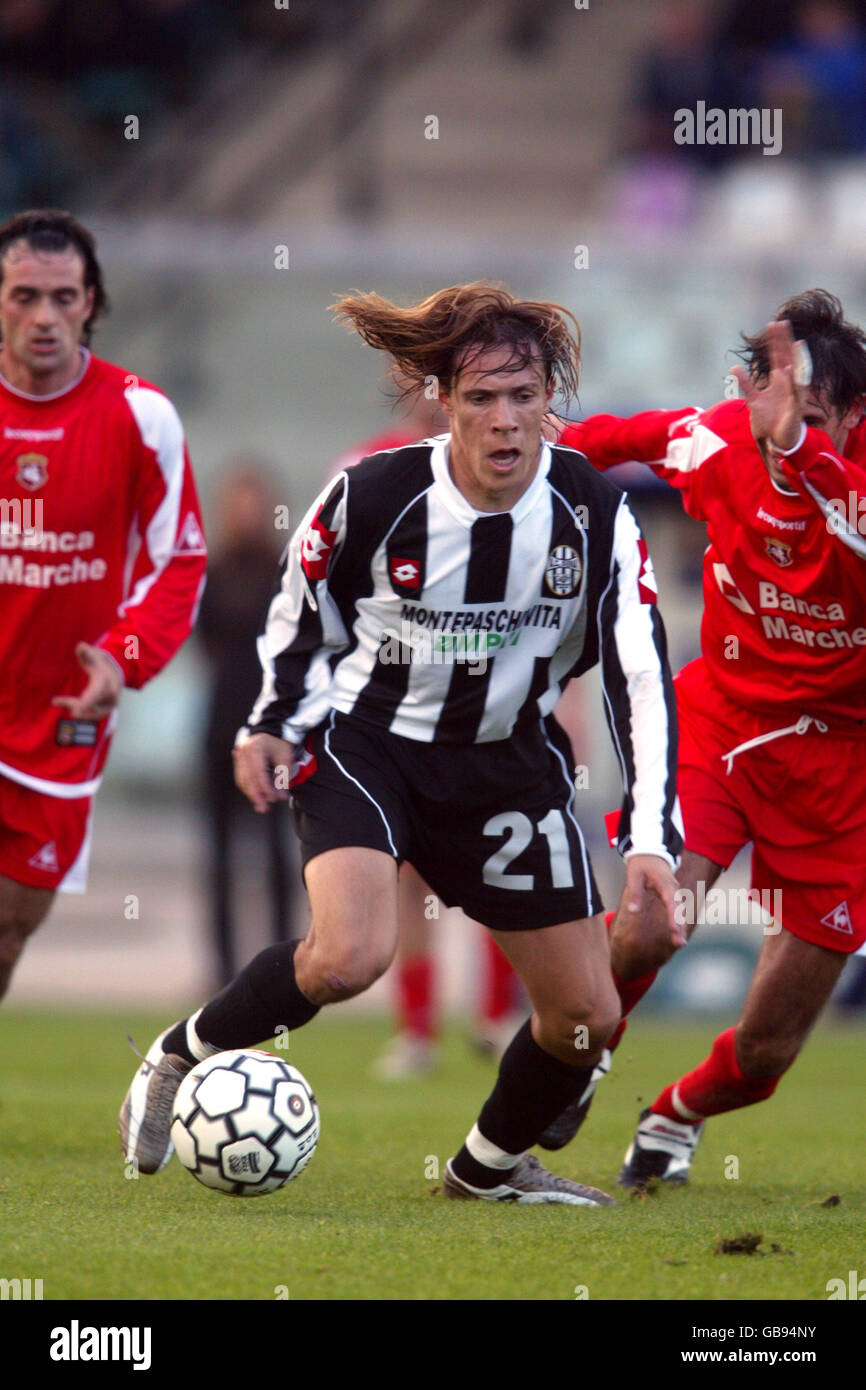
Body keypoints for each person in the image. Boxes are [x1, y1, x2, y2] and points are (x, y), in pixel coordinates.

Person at [120, 281, 681, 1205]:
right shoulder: (372, 494)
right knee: (348, 956)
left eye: (525, 397)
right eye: (480, 399)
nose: (505, 422)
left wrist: (649, 839)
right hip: (368, 743)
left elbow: (639, 676)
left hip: (507, 763)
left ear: (551, 400)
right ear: (443, 401)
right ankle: (182, 1054)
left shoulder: (595, 512)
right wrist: (269, 723)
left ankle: (485, 1173)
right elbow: (302, 622)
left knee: (585, 1019)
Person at [545, 289, 866, 1184]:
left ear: (854, 416)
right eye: (775, 411)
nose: (783, 433)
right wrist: (506, 454)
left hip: (844, 770)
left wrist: (801, 452)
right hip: (722, 726)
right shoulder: (722, 438)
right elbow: (609, 440)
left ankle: (675, 1115)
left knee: (766, 1051)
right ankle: (582, 1054)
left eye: (813, 418)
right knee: (650, 923)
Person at [0, 207, 206, 1000]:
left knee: (12, 925)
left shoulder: (139, 414)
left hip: (62, 714)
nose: (44, 316)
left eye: (62, 297)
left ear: (90, 302)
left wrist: (125, 658)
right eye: (24, 296)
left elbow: (180, 556)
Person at [326, 381, 524, 1077]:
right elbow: (329, 592)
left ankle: (496, 1019)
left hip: (492, 711)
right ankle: (418, 1031)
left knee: (500, 865)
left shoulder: (505, 467)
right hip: (395, 714)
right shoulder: (366, 468)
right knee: (407, 881)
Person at [197, 463, 295, 988]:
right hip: (220, 725)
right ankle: (221, 968)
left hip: (273, 729)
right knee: (219, 854)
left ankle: (282, 965)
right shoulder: (211, 575)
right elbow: (204, 643)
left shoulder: (284, 574)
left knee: (280, 853)